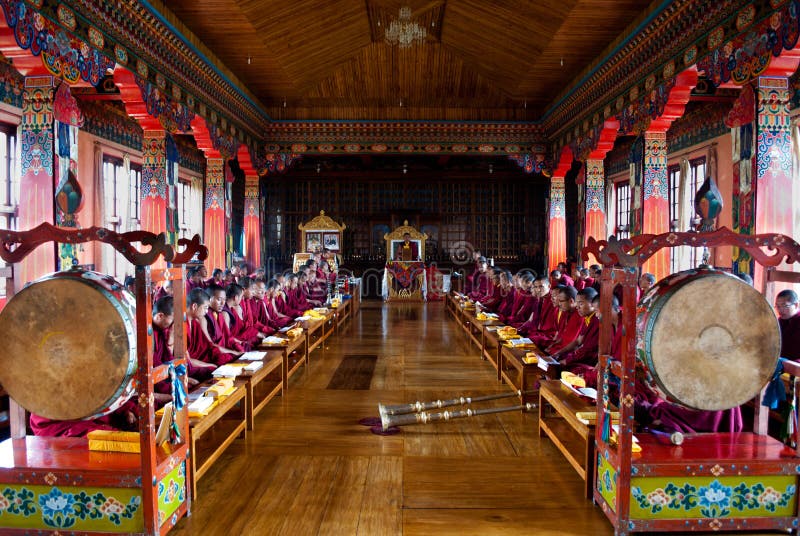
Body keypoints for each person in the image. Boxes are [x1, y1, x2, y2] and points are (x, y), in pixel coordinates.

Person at [550, 288, 600, 376]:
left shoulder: (596, 321)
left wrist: (567, 360)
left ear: (593, 304)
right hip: (583, 357)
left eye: (581, 303)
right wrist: (558, 353)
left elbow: (588, 350)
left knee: (562, 369)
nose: (577, 307)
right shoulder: (588, 319)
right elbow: (578, 341)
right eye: (577, 303)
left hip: (591, 361)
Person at [776, 289, 800, 360]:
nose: (780, 310)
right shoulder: (779, 322)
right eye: (778, 306)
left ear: (796, 305)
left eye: (785, 306)